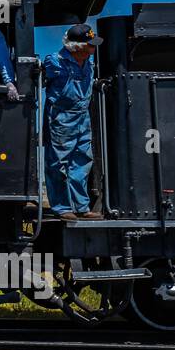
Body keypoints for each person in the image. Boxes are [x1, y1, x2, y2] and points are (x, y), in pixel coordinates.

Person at [44, 23, 102, 220]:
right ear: (78, 47)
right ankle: (61, 207)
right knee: (58, 163)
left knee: (82, 160)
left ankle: (81, 206)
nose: (94, 49)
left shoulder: (89, 62)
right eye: (90, 45)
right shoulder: (55, 61)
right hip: (62, 117)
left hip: (82, 116)